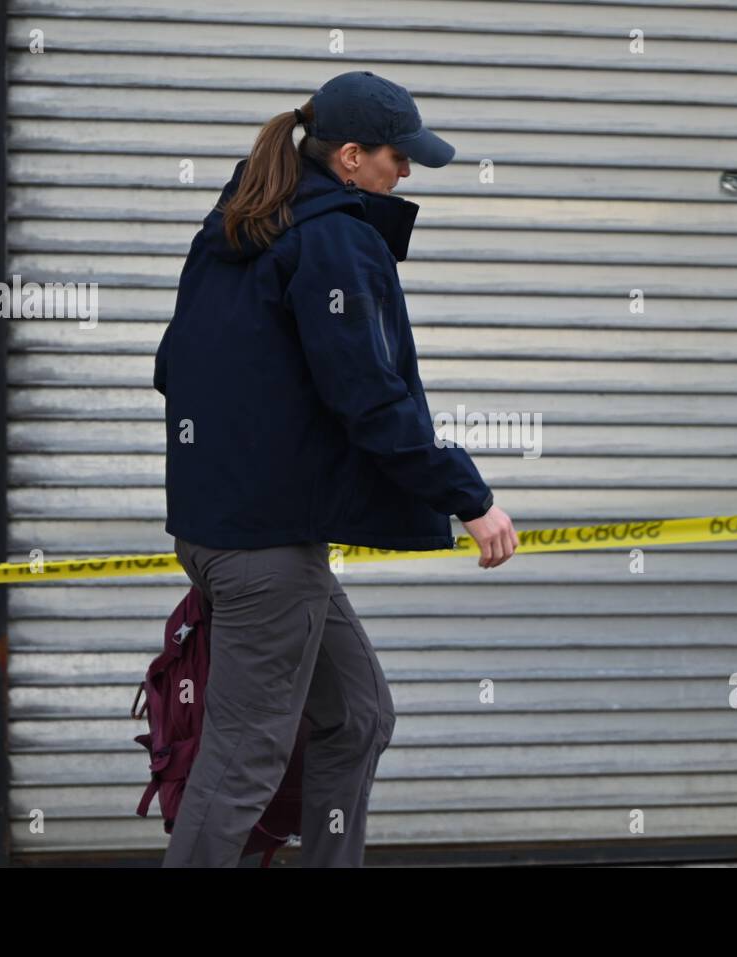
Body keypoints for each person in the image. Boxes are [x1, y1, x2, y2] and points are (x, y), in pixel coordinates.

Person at [151, 71, 517, 867]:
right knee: (243, 758)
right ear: (350, 157)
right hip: (264, 549)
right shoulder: (332, 237)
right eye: (398, 157)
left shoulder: (238, 224)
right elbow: (368, 393)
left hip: (238, 533)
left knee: (357, 715)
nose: (407, 174)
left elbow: (172, 365)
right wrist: (469, 496)